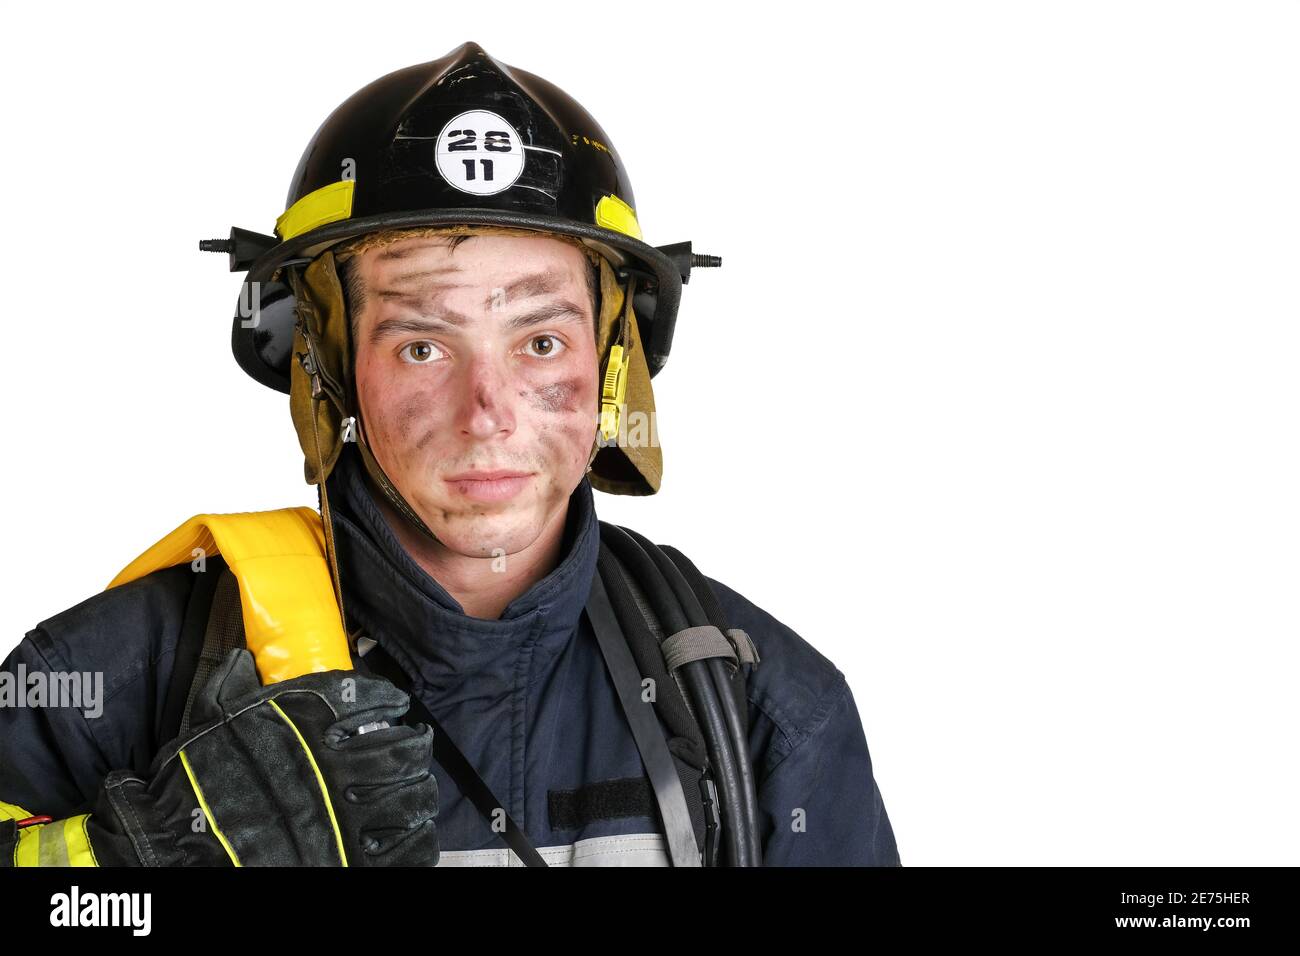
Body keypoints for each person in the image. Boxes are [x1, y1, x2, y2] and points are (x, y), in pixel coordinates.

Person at [0, 41, 900, 867]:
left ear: (613, 359)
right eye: (420, 346)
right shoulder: (127, 674)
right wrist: (136, 859)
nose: (488, 413)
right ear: (330, 369)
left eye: (540, 341)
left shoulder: (760, 709)